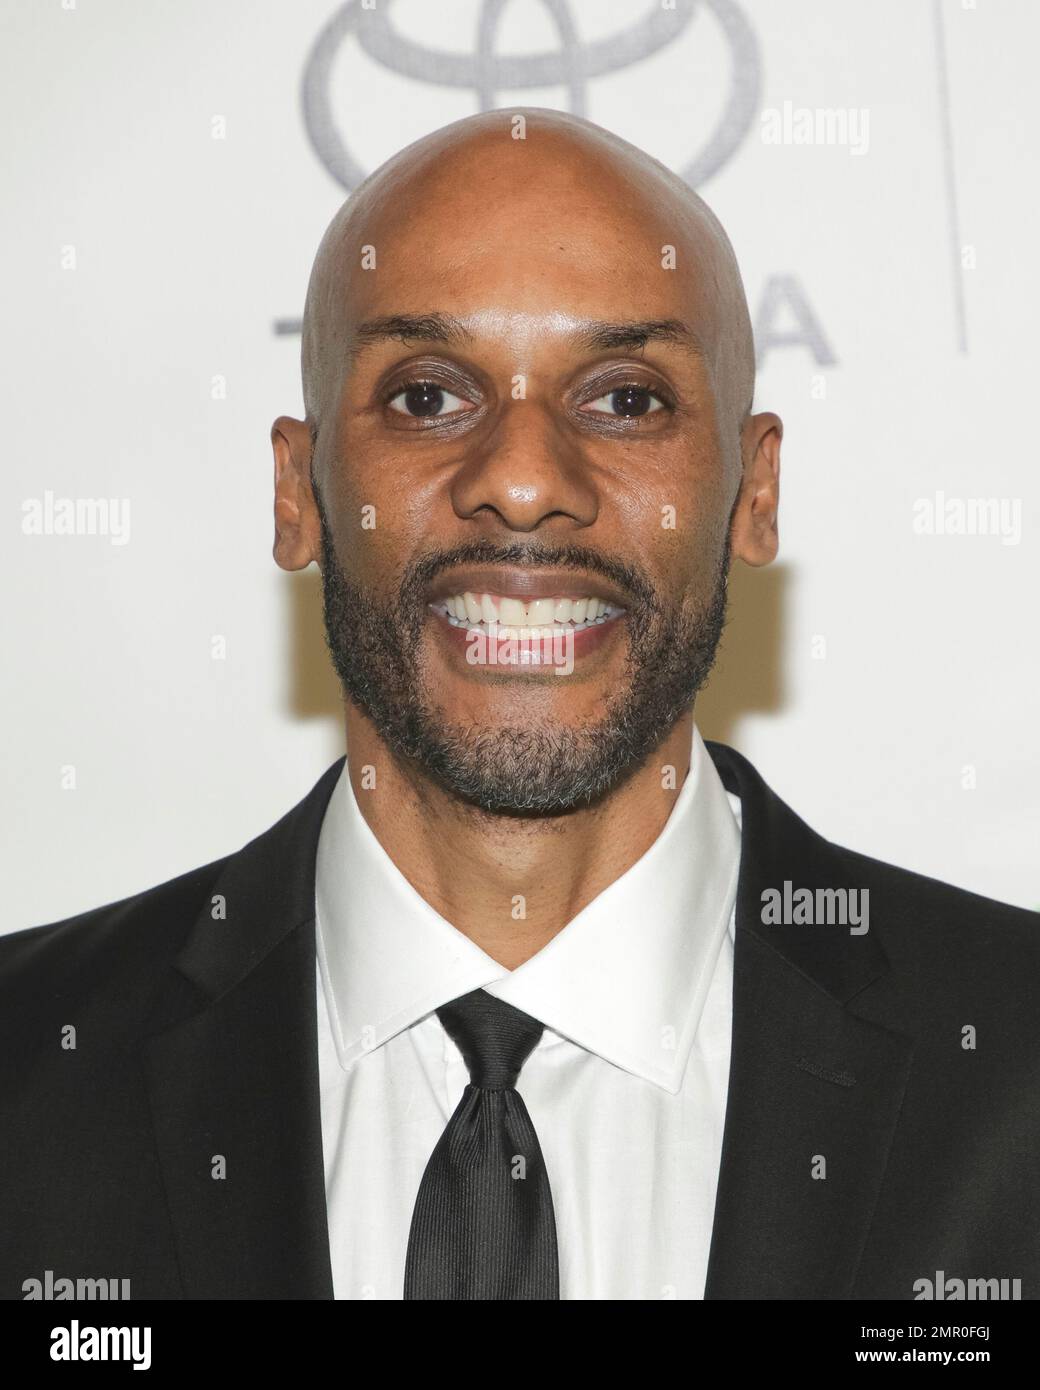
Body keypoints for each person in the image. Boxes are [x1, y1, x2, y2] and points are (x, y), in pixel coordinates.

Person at [2, 109, 1037, 1302]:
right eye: (429, 395)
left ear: (754, 492)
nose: (525, 479)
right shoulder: (26, 1072)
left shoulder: (1012, 1066)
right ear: (296, 491)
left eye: (626, 399)